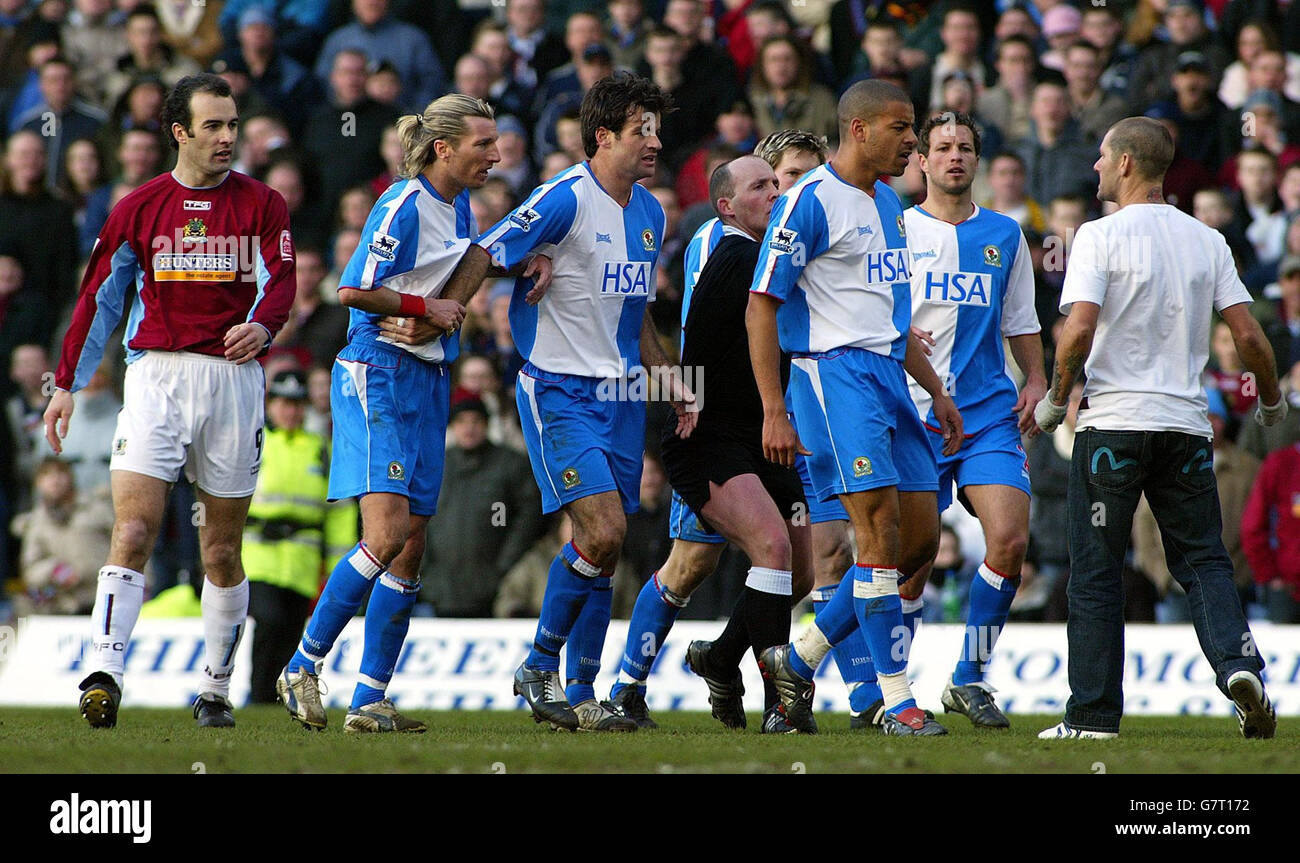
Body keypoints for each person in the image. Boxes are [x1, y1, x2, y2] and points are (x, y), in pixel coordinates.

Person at [435, 71, 693, 732]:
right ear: (602, 136)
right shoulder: (563, 198)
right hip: (556, 390)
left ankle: (583, 694)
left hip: (620, 397)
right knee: (602, 530)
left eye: (658, 129)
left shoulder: (650, 211)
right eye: (643, 130)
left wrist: (674, 385)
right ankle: (539, 661)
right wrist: (451, 308)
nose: (655, 142)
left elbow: (637, 320)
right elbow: (487, 249)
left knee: (603, 546)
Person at [275, 94, 539, 734]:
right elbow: (352, 288)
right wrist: (426, 309)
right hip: (379, 374)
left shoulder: (457, 204)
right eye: (483, 144)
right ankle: (303, 663)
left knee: (412, 546)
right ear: (445, 148)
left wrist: (527, 262)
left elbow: (467, 262)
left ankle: (369, 700)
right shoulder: (403, 202)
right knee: (387, 535)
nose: (496, 154)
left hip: (427, 379)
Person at [44, 73, 296, 730]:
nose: (227, 137)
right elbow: (99, 296)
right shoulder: (136, 208)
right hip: (154, 374)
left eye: (233, 124)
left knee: (221, 548)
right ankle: (103, 670)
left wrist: (264, 325)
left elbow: (283, 280)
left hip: (232, 379)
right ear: (179, 132)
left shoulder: (264, 202)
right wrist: (66, 381)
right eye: (213, 125)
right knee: (132, 529)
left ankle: (214, 687)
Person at [1033, 116, 1286, 741]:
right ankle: (1239, 668)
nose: (1093, 167)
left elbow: (1080, 330)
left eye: (1100, 156)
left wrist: (1053, 400)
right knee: (1203, 561)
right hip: (1185, 427)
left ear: (1125, 164)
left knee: (1095, 570)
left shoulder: (1098, 236)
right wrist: (1273, 401)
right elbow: (1248, 334)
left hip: (1114, 425)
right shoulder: (1208, 240)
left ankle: (1092, 719)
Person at [749, 79, 961, 737]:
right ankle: (896, 701)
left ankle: (797, 658)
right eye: (902, 127)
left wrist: (937, 389)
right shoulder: (807, 202)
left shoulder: (893, 204)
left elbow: (892, 322)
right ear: (859, 129)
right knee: (879, 538)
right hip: (830, 378)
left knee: (919, 541)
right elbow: (762, 303)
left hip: (890, 379)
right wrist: (773, 409)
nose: (912, 141)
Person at [603, 153, 809, 732]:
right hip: (712, 430)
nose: (781, 192)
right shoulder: (723, 249)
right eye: (770, 182)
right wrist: (684, 404)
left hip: (766, 427)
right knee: (693, 564)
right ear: (726, 204)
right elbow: (698, 332)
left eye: (786, 182)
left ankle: (721, 659)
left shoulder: (772, 245)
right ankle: (628, 686)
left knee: (800, 570)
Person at [893, 111, 1044, 728]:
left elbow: (1023, 321)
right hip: (912, 412)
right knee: (910, 560)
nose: (955, 156)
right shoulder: (895, 229)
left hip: (985, 412)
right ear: (921, 161)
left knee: (1008, 538)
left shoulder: (1006, 235)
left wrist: (1036, 378)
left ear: (977, 162)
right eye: (942, 147)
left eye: (965, 148)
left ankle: (968, 677)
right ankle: (891, 685)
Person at [243, 370, 357, 705]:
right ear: (271, 405)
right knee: (269, 621)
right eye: (283, 404)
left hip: (302, 560)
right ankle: (259, 694)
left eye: (296, 405)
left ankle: (281, 699)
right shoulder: (256, 443)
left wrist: (340, 568)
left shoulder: (320, 450)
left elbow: (338, 510)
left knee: (292, 629)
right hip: (258, 554)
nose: (290, 411)